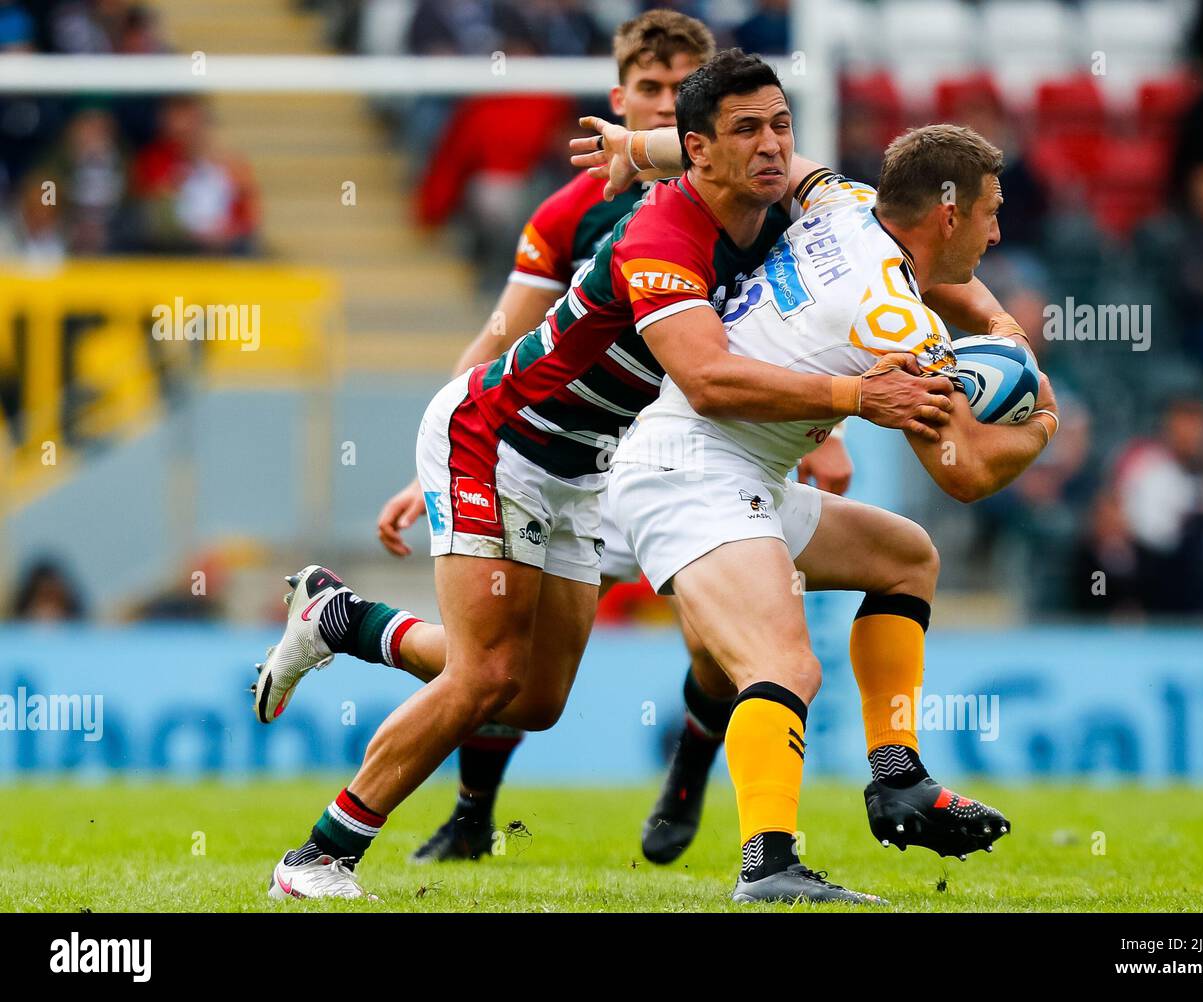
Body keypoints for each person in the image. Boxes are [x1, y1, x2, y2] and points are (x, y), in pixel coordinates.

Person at [256, 49, 1000, 901]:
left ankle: (344, 618)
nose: (773, 148)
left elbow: (910, 249)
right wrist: (853, 397)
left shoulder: (780, 201)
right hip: (498, 438)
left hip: (588, 466)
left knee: (533, 700)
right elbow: (709, 380)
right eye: (747, 131)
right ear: (701, 151)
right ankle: (319, 857)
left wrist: (994, 316)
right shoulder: (659, 237)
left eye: (781, 126)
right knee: (488, 675)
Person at [594, 118, 1054, 901]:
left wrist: (637, 148)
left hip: (728, 462)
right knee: (782, 665)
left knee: (905, 557)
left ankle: (899, 777)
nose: (998, 229)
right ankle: (768, 866)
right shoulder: (895, 323)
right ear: (948, 215)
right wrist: (1043, 420)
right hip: (690, 470)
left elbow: (763, 159)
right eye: (991, 211)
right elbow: (966, 472)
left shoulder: (844, 204)